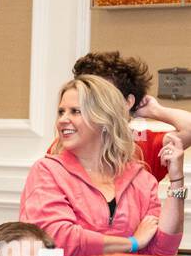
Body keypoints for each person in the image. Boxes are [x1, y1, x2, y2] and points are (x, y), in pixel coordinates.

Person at [20, 76, 184, 256]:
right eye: (61, 112)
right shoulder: (47, 171)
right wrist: (132, 243)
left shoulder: (142, 180)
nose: (62, 120)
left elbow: (161, 252)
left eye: (75, 111)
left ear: (105, 121)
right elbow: (56, 240)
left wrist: (176, 181)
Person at [71, 51, 191, 183]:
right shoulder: (68, 144)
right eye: (89, 95)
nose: (95, 103)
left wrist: (155, 110)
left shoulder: (143, 145)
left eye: (104, 95)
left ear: (127, 102)